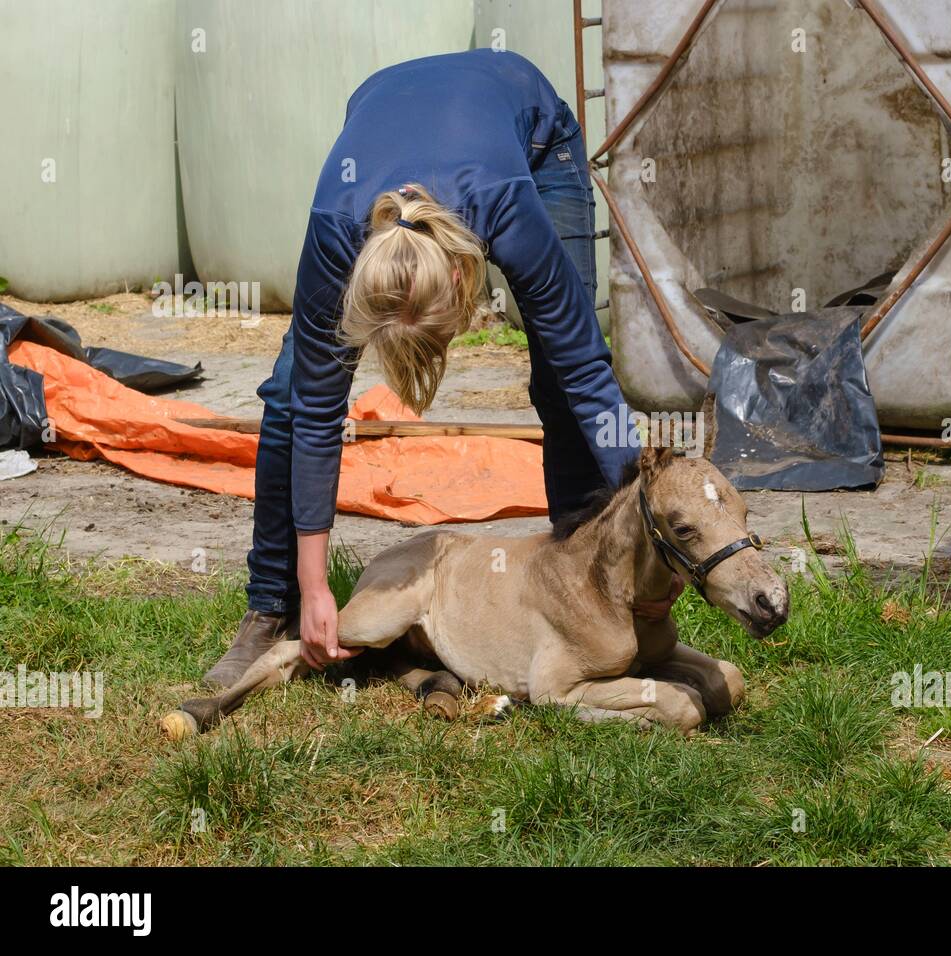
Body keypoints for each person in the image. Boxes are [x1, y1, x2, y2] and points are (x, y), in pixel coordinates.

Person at [203, 50, 640, 688]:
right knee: (293, 397)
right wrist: (315, 584)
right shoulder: (337, 231)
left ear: (464, 278)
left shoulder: (510, 213)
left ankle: (587, 586)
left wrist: (642, 514)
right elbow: (320, 413)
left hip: (535, 134)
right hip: (385, 106)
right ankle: (269, 609)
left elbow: (588, 374)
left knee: (560, 373)